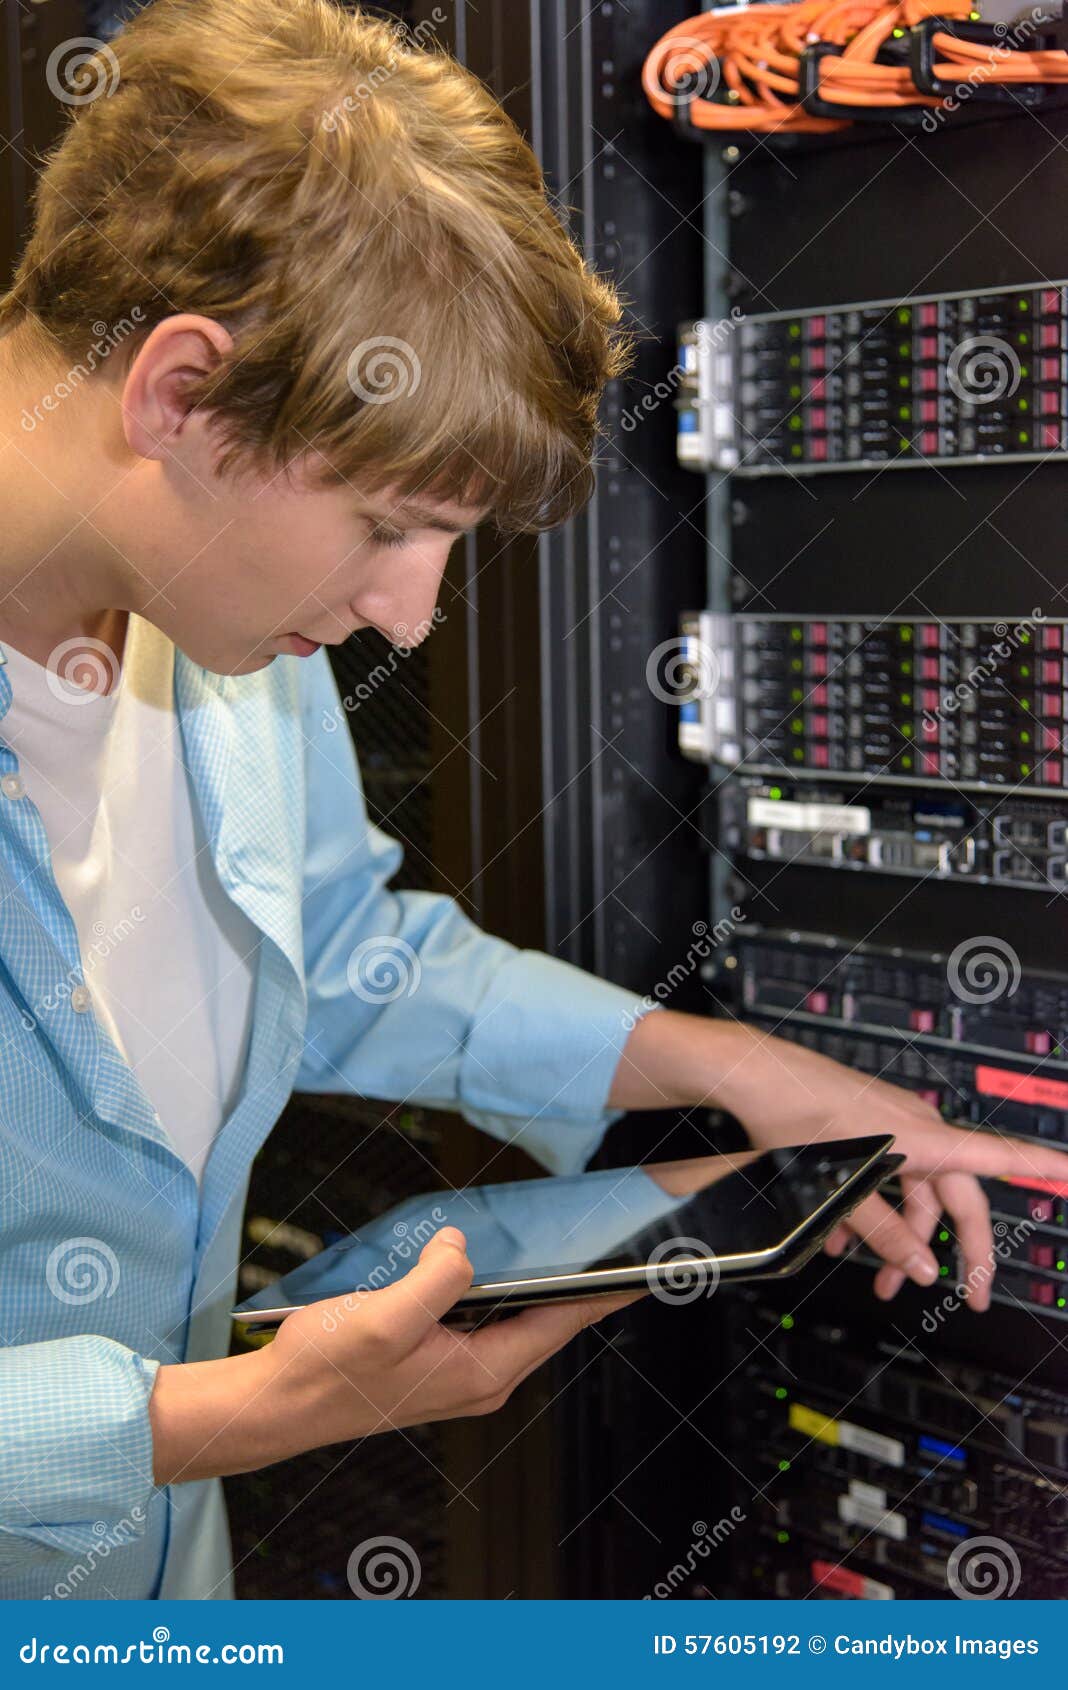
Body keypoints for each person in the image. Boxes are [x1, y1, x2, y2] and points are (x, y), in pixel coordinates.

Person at [0, 0, 1063, 1603]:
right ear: (180, 393)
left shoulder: (211, 600)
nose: (410, 615)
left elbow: (340, 949)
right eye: (384, 523)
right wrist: (210, 1415)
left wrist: (741, 1071)